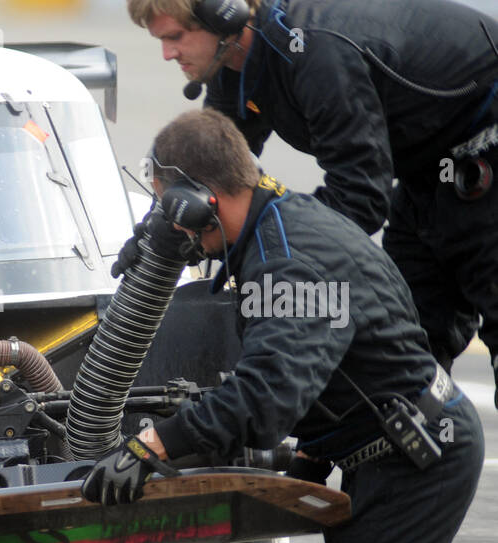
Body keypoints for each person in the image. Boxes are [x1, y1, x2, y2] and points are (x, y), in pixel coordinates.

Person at [85, 110, 498, 543]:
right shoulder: (281, 220)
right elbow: (338, 368)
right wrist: (311, 457)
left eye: (172, 212)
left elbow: (267, 396)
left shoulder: (287, 262)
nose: (175, 231)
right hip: (402, 443)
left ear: (201, 199)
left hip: (416, 456)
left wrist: (154, 444)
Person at [127, 0, 498, 403]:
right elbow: (202, 170)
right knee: (409, 341)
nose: (167, 53)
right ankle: (418, 453)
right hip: (431, 166)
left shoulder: (317, 55)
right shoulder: (233, 67)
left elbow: (360, 199)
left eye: (175, 37)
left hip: (483, 145)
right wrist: (158, 234)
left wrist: (268, 250)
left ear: (224, 15)